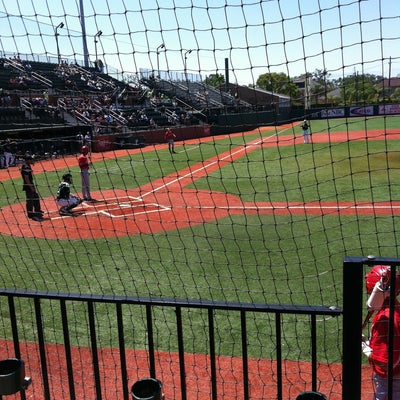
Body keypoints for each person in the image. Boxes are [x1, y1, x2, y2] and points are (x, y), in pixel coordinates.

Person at [362, 265, 400, 400]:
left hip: (392, 384)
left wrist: (364, 347)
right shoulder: (396, 309)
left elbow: (385, 363)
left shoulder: (385, 318)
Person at [20, 154, 45, 222]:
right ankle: (31, 214)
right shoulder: (26, 166)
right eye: (31, 159)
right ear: (28, 160)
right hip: (28, 186)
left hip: (29, 185)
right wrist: (31, 187)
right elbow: (26, 178)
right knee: (30, 200)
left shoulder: (27, 165)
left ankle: (37, 211)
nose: (33, 161)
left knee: (36, 197)